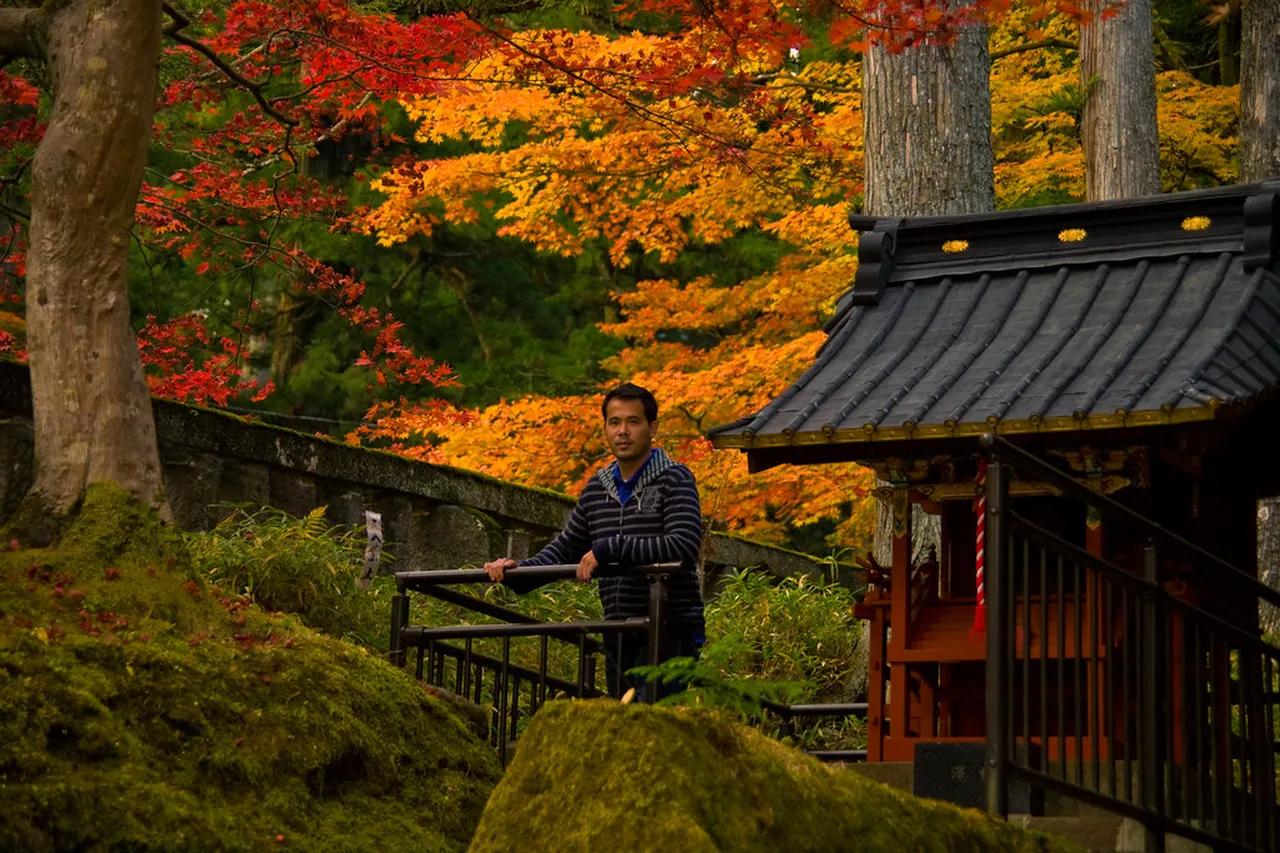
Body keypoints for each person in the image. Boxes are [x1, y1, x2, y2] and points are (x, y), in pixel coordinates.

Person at [483, 382, 705, 698]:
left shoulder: (674, 478)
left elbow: (682, 545)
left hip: (669, 628)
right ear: (605, 428)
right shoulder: (597, 489)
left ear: (652, 427)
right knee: (621, 731)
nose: (623, 431)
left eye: (633, 421)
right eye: (614, 422)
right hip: (617, 629)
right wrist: (518, 571)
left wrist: (610, 548)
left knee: (650, 727)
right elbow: (565, 547)